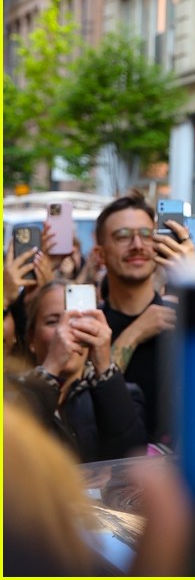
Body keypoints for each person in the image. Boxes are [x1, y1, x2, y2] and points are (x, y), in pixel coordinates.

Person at [12, 279, 147, 462]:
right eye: (53, 322)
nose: (65, 330)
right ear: (31, 339)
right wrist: (51, 368)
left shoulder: (123, 394)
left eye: (77, 320)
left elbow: (132, 458)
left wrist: (104, 367)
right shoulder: (10, 394)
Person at [93, 194, 180, 445]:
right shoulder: (89, 327)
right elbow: (85, 400)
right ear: (100, 254)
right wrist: (134, 333)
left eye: (146, 234)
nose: (138, 245)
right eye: (123, 236)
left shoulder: (182, 324)